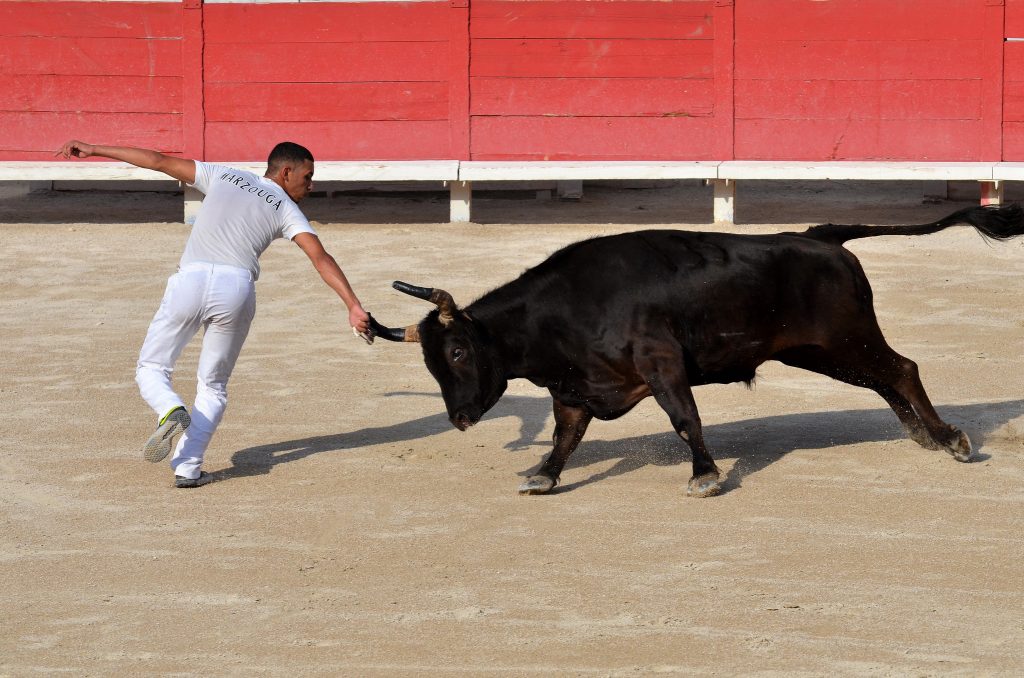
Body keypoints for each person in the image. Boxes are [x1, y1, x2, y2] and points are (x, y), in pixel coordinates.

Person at [56, 140, 371, 488]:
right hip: (235, 288)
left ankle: (169, 408)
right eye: (308, 177)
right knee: (214, 385)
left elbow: (157, 161)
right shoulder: (286, 208)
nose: (311, 186)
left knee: (152, 367)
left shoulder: (223, 175)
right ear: (286, 172)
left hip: (189, 281)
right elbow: (320, 259)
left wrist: (95, 149)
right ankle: (188, 467)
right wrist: (352, 304)